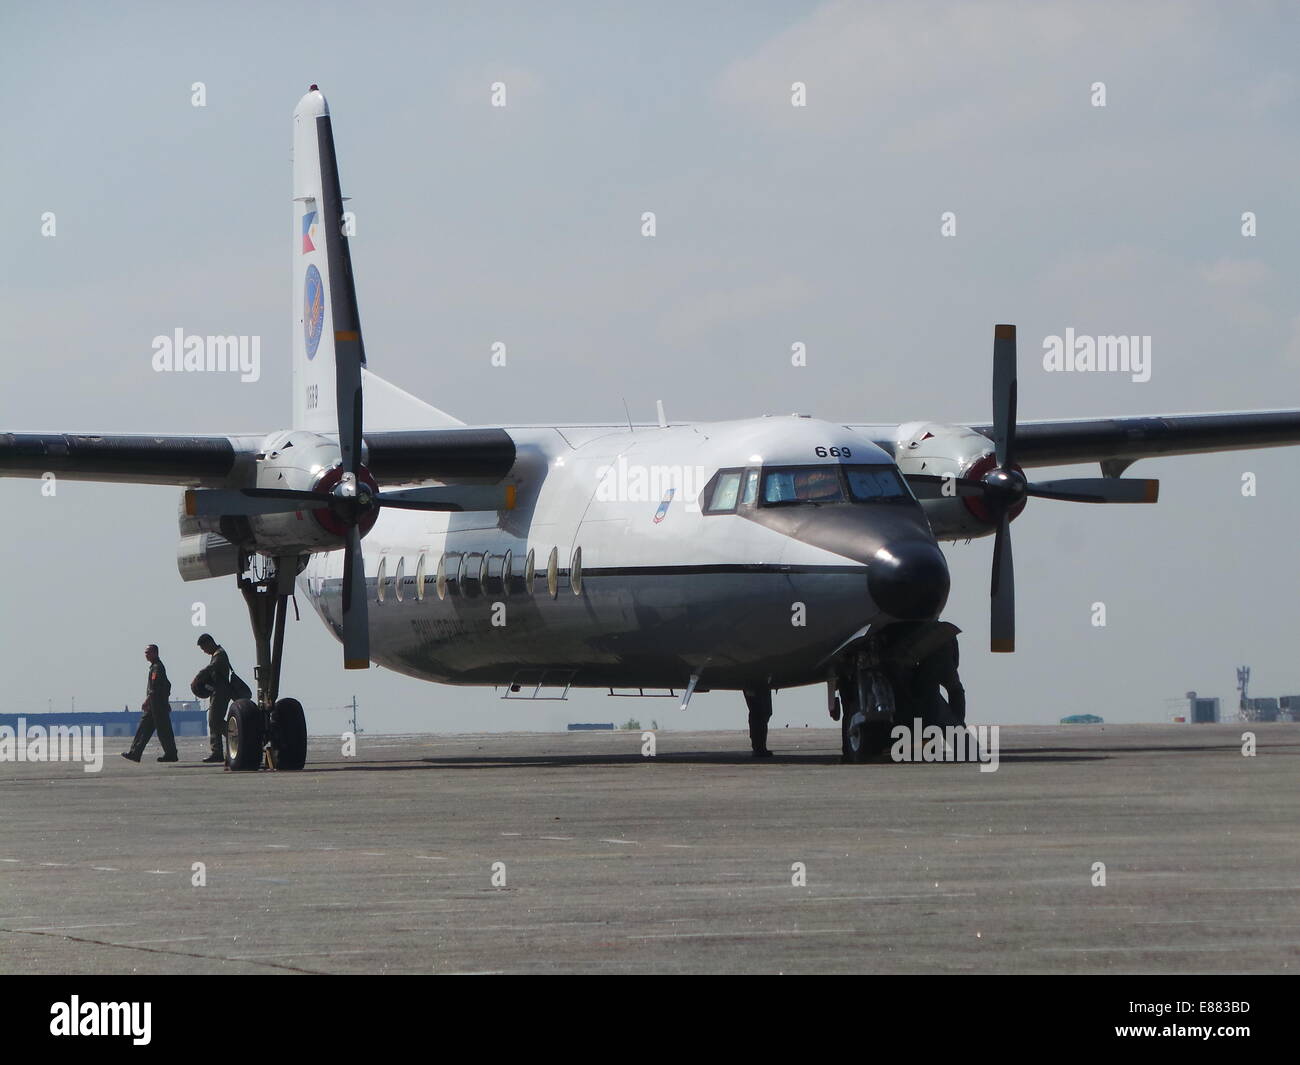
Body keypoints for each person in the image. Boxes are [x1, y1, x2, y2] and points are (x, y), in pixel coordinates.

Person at [123, 644, 177, 763]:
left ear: (155, 653)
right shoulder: (155, 667)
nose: (146, 655)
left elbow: (155, 687)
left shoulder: (157, 668)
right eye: (145, 653)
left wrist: (147, 701)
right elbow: (167, 685)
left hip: (157, 706)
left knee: (163, 731)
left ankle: (171, 754)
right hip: (156, 705)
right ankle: (135, 753)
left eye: (148, 652)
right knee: (144, 729)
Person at [194, 634, 233, 763]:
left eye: (204, 648)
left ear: (209, 643)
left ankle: (236, 738)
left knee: (214, 721)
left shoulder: (219, 654)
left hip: (221, 692)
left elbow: (211, 668)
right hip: (217, 691)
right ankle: (221, 749)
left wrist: (198, 676)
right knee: (215, 721)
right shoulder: (216, 654)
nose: (204, 651)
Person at [743, 688, 774, 758]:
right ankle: (759, 747)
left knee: (763, 712)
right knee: (759, 712)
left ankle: (759, 747)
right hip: (755, 686)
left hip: (760, 687)